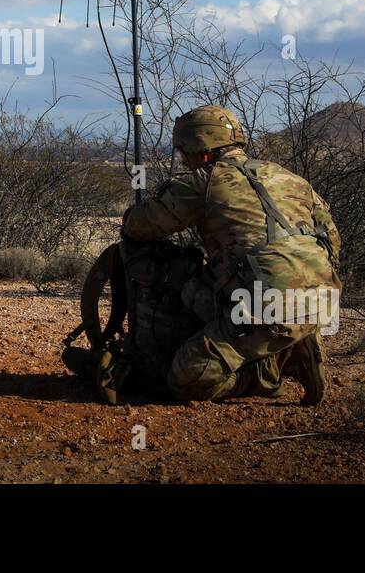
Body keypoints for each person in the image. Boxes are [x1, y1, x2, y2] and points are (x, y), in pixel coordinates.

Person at [113, 105, 342, 405]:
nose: (184, 159)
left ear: (202, 151)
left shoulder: (205, 181)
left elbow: (141, 225)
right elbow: (332, 240)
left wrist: (134, 218)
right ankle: (296, 338)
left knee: (187, 379)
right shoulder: (289, 177)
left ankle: (269, 370)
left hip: (264, 306)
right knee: (197, 289)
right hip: (324, 301)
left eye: (184, 152)